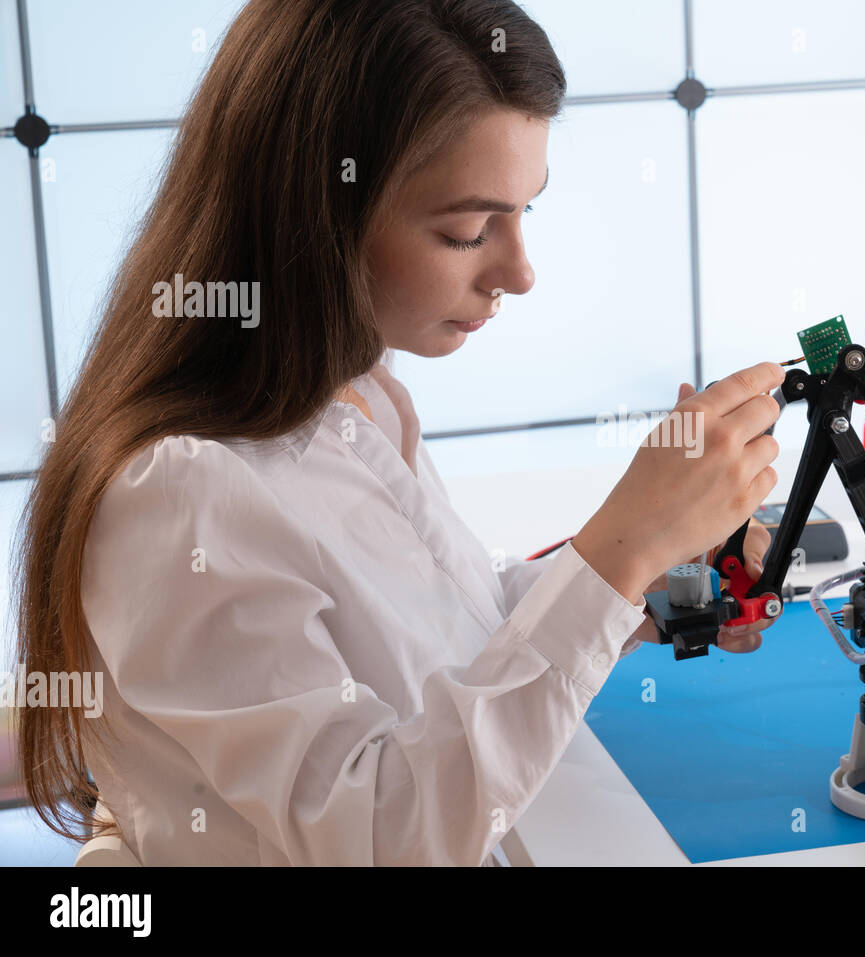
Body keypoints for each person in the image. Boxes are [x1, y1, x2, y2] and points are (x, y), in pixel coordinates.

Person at [14, 0, 780, 866]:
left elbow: (450, 632)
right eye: (466, 231)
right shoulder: (182, 496)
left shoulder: (360, 397)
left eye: (526, 211)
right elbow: (382, 834)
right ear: (317, 213)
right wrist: (619, 551)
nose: (519, 273)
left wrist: (647, 579)